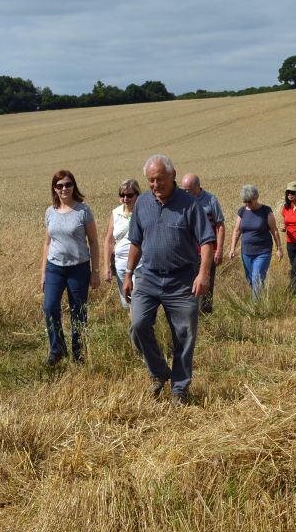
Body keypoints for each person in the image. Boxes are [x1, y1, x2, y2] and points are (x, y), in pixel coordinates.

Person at [124, 155, 215, 406]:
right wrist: (128, 274)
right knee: (138, 326)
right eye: (150, 180)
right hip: (148, 278)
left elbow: (207, 241)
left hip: (182, 281)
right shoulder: (142, 203)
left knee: (184, 335)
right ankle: (159, 371)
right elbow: (136, 242)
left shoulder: (190, 205)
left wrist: (203, 274)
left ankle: (179, 390)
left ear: (173, 176)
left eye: (159, 179)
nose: (155, 185)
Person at [41, 170, 100, 365]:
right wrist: (43, 273)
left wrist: (95, 271)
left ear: (74, 186)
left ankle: (79, 352)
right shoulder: (50, 212)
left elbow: (94, 241)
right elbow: (47, 243)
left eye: (68, 184)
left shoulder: (83, 211)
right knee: (50, 307)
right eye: (59, 185)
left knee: (78, 311)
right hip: (54, 268)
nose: (64, 188)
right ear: (54, 189)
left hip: (78, 268)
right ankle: (57, 350)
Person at [226, 184, 283, 299]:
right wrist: (232, 248)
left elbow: (274, 230)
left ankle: (256, 306)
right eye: (245, 201)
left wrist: (279, 249)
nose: (247, 204)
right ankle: (261, 299)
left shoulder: (266, 210)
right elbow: (237, 231)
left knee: (257, 278)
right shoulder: (242, 211)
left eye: (249, 201)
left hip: (263, 251)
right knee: (250, 279)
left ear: (256, 198)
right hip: (246, 252)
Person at [179, 173, 225, 314]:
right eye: (183, 189)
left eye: (189, 190)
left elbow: (220, 225)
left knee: (206, 285)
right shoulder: (180, 200)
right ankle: (189, 314)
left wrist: (219, 250)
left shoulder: (211, 200)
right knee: (186, 285)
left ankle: (206, 316)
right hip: (186, 252)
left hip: (207, 252)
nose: (185, 192)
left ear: (198, 187)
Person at [103, 179, 140, 309]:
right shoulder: (116, 213)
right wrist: (107, 267)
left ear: (137, 194)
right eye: (122, 195)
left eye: (129, 195)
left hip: (140, 265)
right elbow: (109, 240)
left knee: (138, 302)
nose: (125, 198)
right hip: (120, 266)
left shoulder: (143, 211)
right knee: (127, 303)